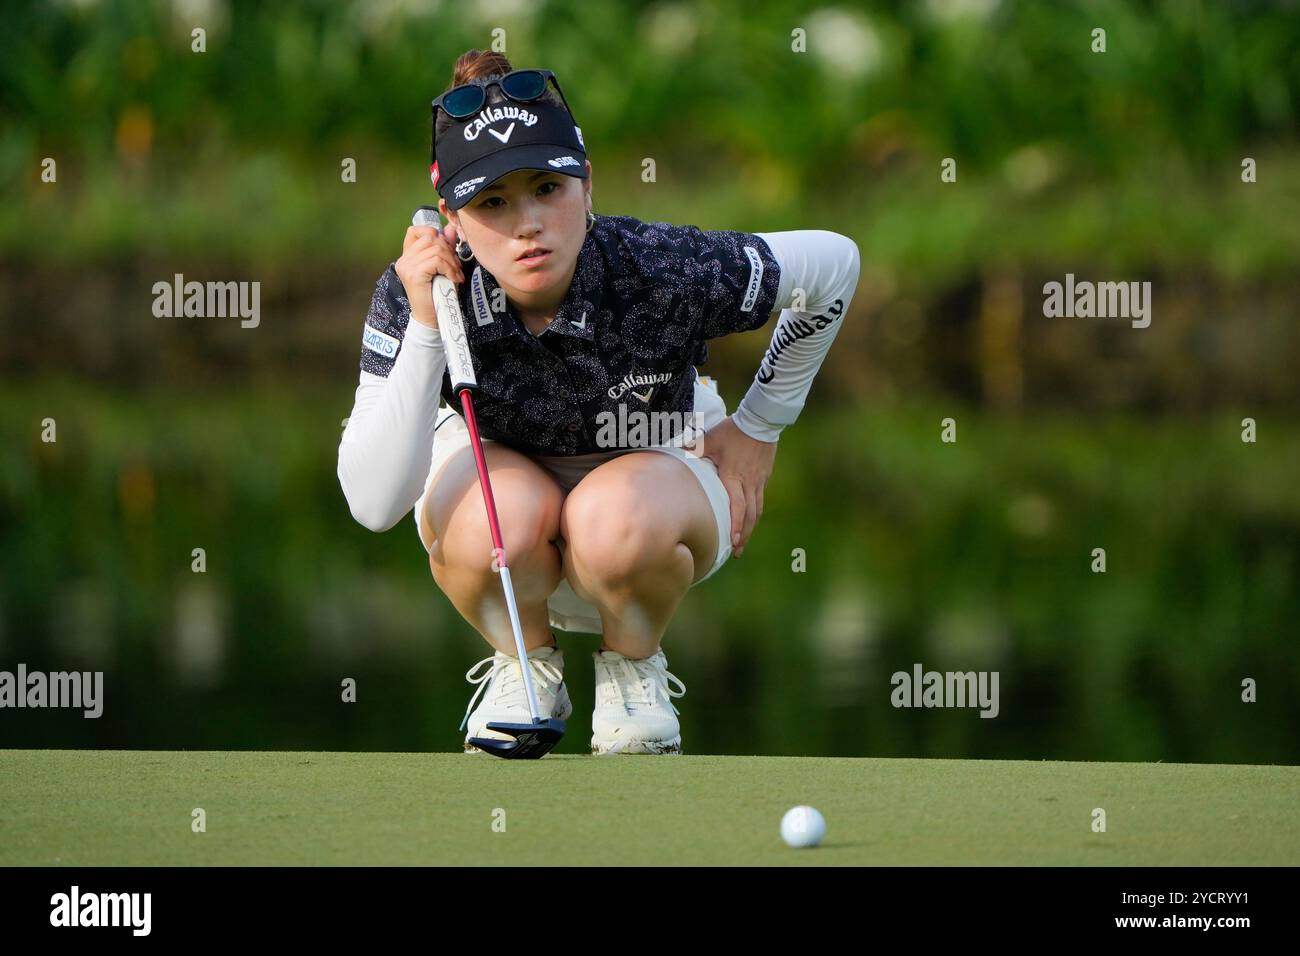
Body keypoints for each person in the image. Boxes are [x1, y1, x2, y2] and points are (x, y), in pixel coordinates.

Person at [338, 50, 860, 755]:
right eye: (492, 202)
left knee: (610, 519)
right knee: (505, 520)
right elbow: (373, 506)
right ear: (450, 218)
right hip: (505, 502)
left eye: (547, 188)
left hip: (654, 489)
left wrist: (761, 426)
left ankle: (634, 669)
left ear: (588, 186)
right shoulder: (417, 291)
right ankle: (524, 667)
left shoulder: (662, 267)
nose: (527, 225)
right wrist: (429, 324)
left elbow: (834, 266)